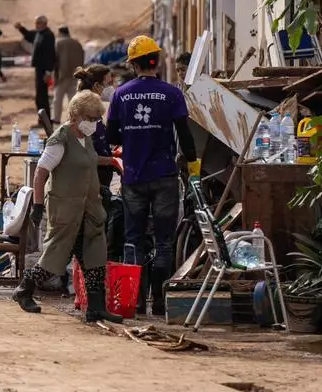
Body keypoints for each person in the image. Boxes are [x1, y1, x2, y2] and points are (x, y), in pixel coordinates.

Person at [106, 36, 199, 317]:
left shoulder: (120, 94)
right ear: (156, 61)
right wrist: (192, 166)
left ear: (134, 64)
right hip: (164, 175)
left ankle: (133, 302)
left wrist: (133, 138)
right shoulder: (172, 94)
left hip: (133, 177)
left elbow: (111, 136)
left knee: (133, 238)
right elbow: (185, 135)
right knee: (164, 240)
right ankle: (159, 302)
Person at [12, 91, 122, 324]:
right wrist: (38, 205)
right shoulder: (60, 139)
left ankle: (96, 307)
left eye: (96, 119)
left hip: (89, 209)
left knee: (95, 256)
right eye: (90, 118)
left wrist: (111, 160)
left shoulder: (86, 138)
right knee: (55, 257)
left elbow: (88, 161)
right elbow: (41, 174)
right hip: (65, 209)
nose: (94, 123)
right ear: (75, 115)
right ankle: (24, 289)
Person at [74, 64, 124, 261]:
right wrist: (111, 160)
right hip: (91, 180)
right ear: (96, 86)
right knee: (91, 230)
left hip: (98, 178)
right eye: (108, 83)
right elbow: (86, 154)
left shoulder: (92, 110)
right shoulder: (86, 113)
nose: (111, 88)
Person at [15, 16, 57, 117]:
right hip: (39, 68)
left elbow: (50, 54)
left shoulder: (48, 36)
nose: (36, 25)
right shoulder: (39, 34)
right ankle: (42, 119)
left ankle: (45, 119)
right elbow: (29, 36)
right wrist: (21, 28)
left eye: (38, 23)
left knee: (42, 96)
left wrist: (48, 71)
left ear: (44, 24)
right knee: (39, 96)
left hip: (44, 69)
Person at [53, 26, 84, 122]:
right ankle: (74, 119)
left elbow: (55, 59)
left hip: (63, 74)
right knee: (72, 98)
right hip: (75, 73)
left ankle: (56, 119)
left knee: (57, 99)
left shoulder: (58, 43)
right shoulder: (77, 43)